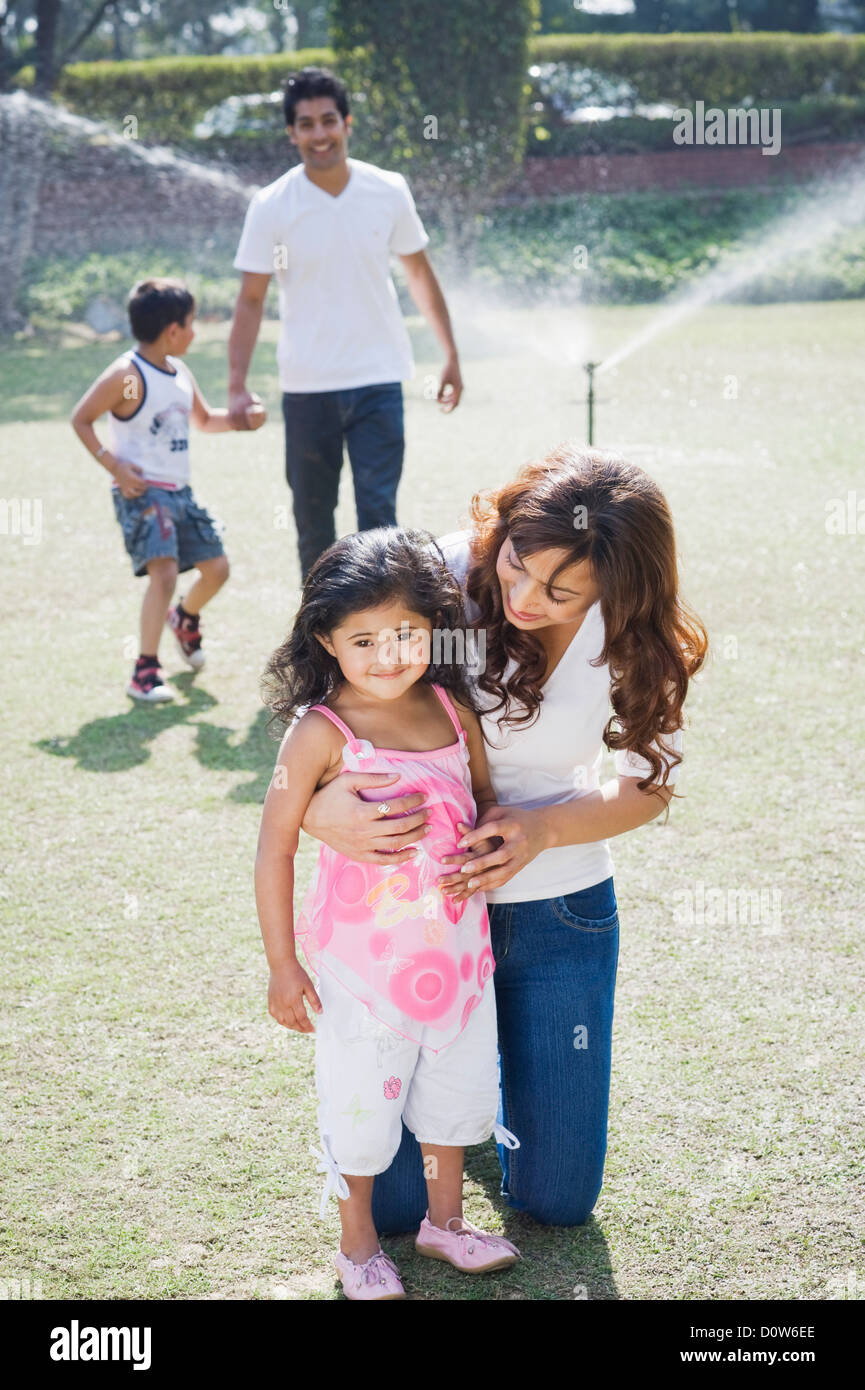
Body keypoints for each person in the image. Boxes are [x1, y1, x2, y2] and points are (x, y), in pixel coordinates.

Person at [298, 445, 709, 1234]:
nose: (521, 595)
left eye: (560, 593)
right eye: (518, 565)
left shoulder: (635, 638)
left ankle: (466, 1092)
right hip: (408, 922)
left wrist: (544, 826)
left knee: (555, 1203)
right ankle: (445, 1096)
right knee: (391, 1212)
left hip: (557, 916)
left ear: (614, 592)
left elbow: (646, 786)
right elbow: (321, 696)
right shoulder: (443, 572)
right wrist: (316, 807)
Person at [254, 528, 521, 1301]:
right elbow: (274, 848)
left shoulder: (449, 706)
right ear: (325, 641)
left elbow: (482, 798)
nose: (387, 654)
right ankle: (358, 1243)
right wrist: (282, 963)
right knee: (359, 1110)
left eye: (405, 633)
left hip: (461, 964)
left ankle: (445, 1224)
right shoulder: (318, 733)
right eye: (363, 639)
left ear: (432, 628)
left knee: (453, 1102)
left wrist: (487, 835)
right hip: (360, 975)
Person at [228, 66, 463, 580]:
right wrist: (238, 386)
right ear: (292, 133)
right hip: (307, 385)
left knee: (379, 524)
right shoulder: (271, 205)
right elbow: (249, 300)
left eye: (328, 120)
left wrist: (450, 356)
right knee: (313, 525)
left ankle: (379, 640)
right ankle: (318, 650)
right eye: (306, 124)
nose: (319, 134)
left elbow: (419, 273)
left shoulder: (388, 189)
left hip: (378, 378)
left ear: (347, 122)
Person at [71, 276, 266, 703]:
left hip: (181, 492)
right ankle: (144, 670)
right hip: (142, 493)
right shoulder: (127, 375)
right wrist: (114, 465)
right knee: (162, 573)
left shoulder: (179, 373)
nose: (196, 332)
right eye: (192, 323)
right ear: (172, 330)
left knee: (217, 568)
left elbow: (204, 420)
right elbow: (81, 418)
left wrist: (241, 420)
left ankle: (185, 616)